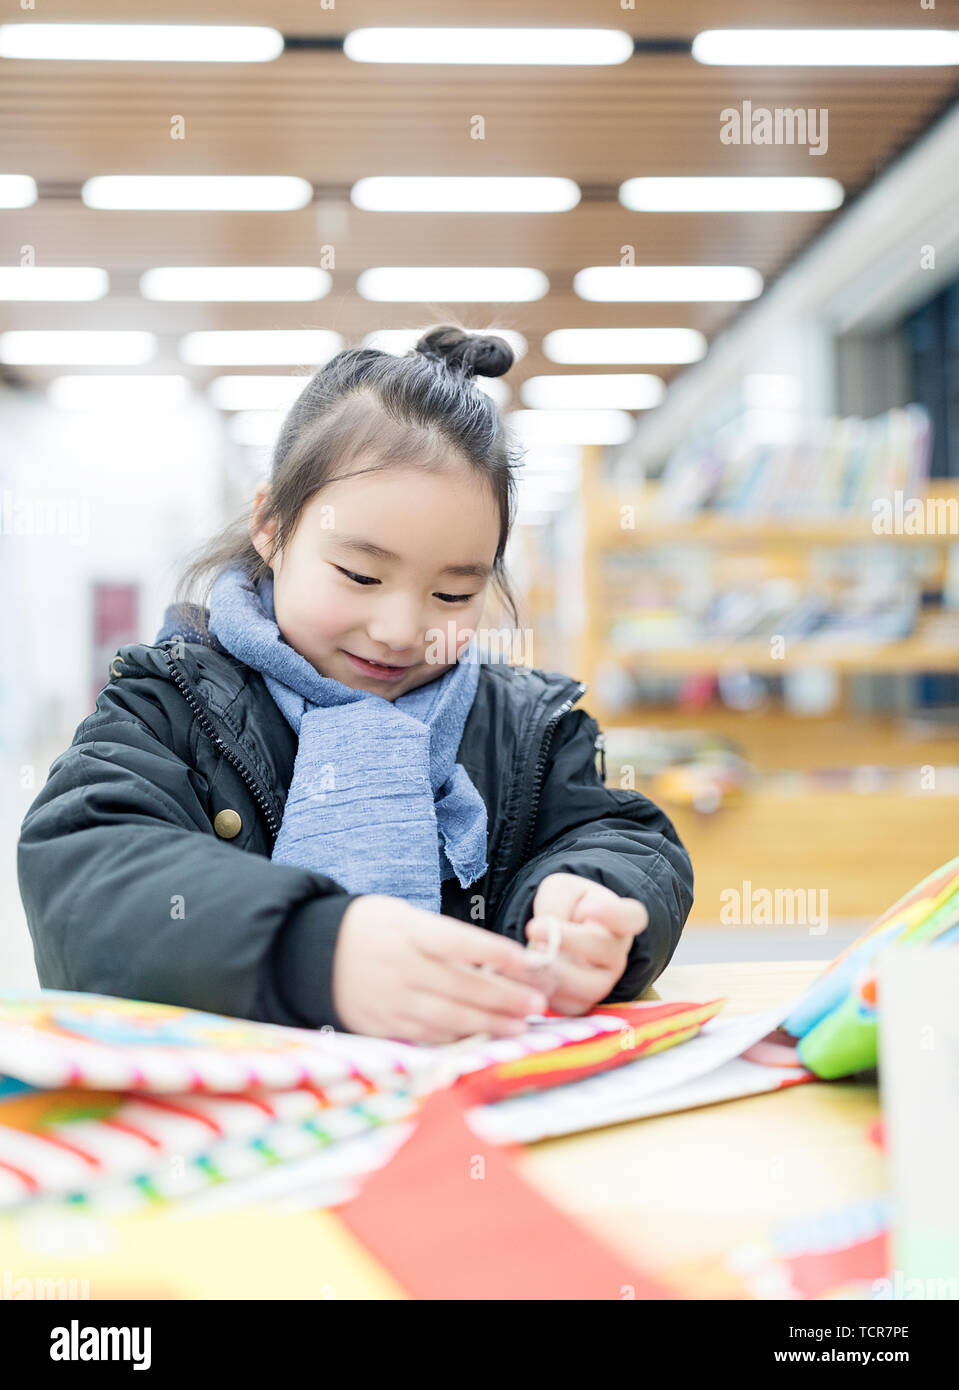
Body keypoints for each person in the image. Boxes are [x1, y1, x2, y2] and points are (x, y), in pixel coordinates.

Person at [17, 325, 694, 1044]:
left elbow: (622, 837)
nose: (401, 629)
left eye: (453, 594)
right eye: (362, 576)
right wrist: (313, 948)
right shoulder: (169, 705)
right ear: (271, 527)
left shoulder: (526, 724)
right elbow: (83, 871)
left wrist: (586, 899)